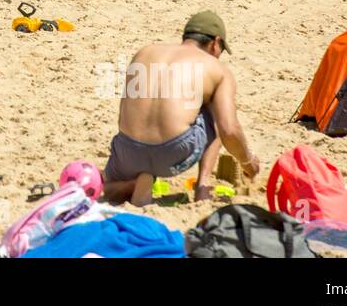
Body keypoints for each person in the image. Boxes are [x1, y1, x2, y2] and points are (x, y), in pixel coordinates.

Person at [104, 12, 260, 206]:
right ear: (215, 43)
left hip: (128, 150)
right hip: (172, 152)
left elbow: (125, 109)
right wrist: (247, 161)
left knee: (106, 188)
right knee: (215, 110)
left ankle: (133, 184)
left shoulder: (144, 52)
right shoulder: (216, 68)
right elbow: (229, 130)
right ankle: (202, 188)